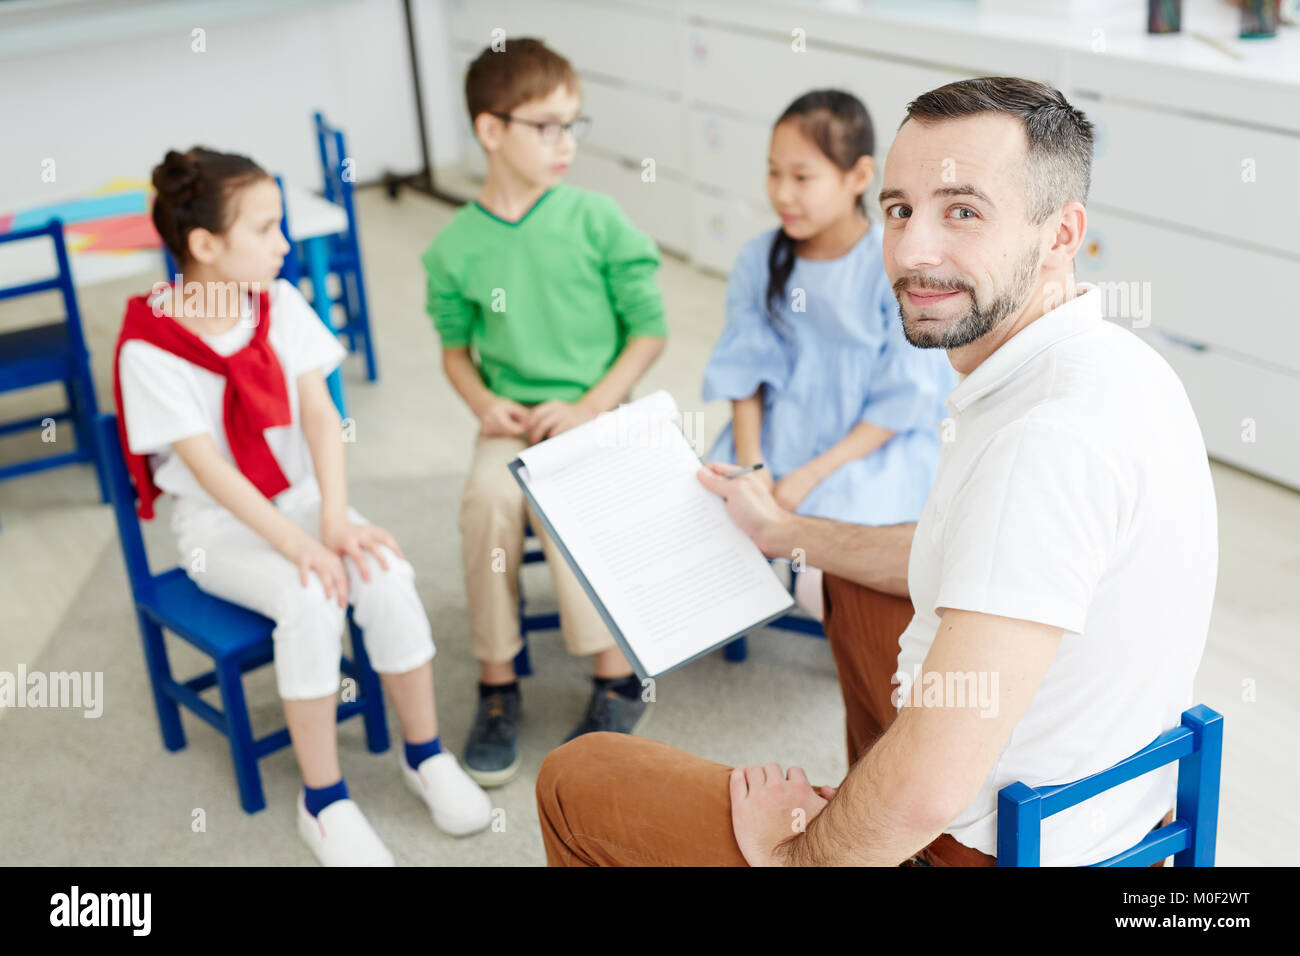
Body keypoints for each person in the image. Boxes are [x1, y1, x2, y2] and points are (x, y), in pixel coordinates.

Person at [534, 76, 1218, 867]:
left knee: (578, 774)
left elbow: (932, 787)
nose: (914, 250)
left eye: (963, 211)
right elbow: (972, 556)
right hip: (1100, 799)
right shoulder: (1117, 363)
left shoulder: (1043, 442)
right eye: (900, 211)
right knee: (852, 579)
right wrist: (785, 531)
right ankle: (864, 801)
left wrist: (796, 852)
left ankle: (860, 832)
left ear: (1061, 234)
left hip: (990, 846)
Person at [116, 147, 491, 866]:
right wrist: (301, 549)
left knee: (383, 571)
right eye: (265, 229)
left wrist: (334, 519)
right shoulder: (149, 347)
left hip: (305, 503)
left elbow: (321, 415)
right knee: (311, 597)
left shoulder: (278, 303)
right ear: (204, 245)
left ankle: (425, 753)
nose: (284, 243)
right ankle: (323, 801)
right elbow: (210, 470)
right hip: (221, 530)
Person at [422, 38, 668, 787]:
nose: (566, 143)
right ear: (491, 131)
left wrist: (591, 404)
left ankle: (616, 677)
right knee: (488, 499)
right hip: (511, 421)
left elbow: (649, 331)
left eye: (573, 125)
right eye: (546, 126)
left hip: (599, 412)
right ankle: (497, 686)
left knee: (566, 499)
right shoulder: (453, 248)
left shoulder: (598, 219)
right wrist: (484, 403)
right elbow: (456, 350)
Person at [701, 89, 952, 619]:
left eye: (802, 176)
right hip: (776, 435)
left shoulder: (895, 263)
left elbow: (903, 398)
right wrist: (753, 466)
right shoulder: (757, 259)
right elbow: (746, 376)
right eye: (773, 174)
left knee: (827, 585)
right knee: (700, 537)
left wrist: (807, 478)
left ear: (858, 177)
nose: (782, 193)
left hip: (864, 450)